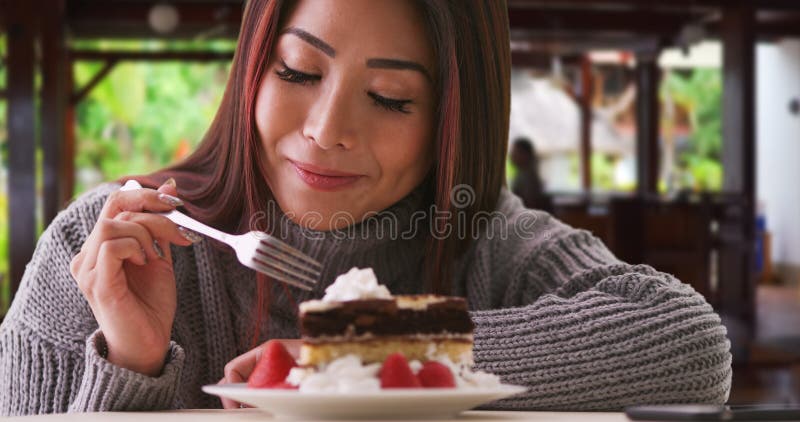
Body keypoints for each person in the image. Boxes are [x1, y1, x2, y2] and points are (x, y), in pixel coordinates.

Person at [0, 0, 731, 415]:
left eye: (390, 99)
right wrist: (134, 361)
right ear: (253, 69)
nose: (325, 131)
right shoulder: (105, 250)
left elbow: (690, 345)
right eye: (297, 70)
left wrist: (365, 355)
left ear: (451, 118)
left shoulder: (484, 237)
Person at [509, 137, 550, 211]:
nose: (512, 155)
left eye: (515, 152)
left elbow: (530, 204)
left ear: (525, 154)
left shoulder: (527, 177)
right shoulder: (522, 173)